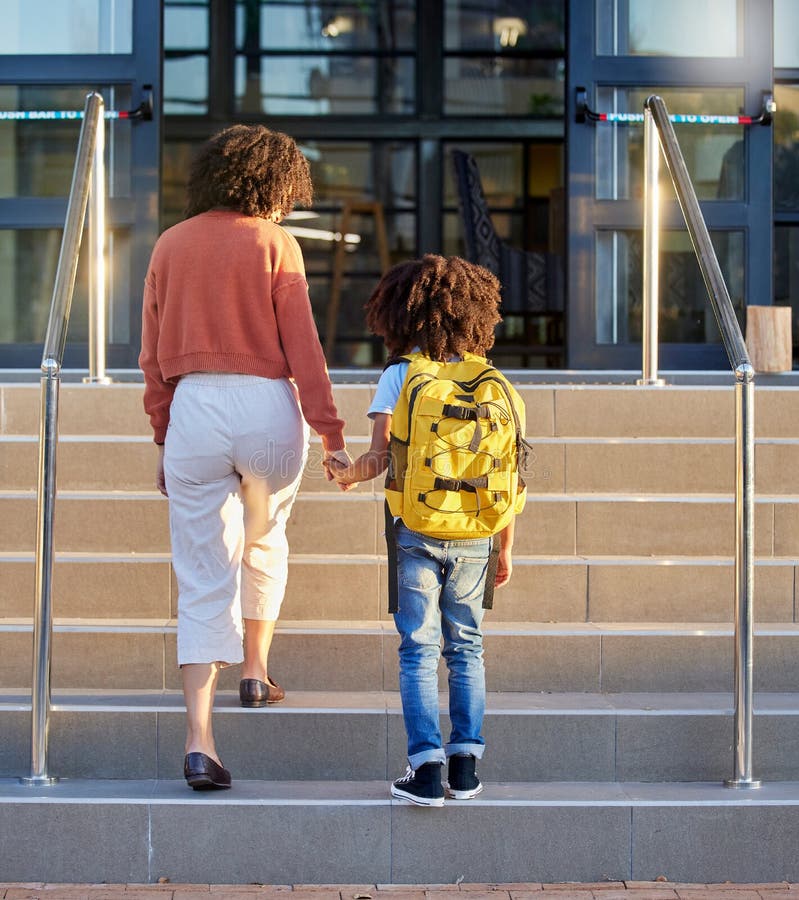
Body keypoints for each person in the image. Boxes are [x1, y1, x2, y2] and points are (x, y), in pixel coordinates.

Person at [139, 124, 350, 791]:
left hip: (195, 412)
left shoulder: (170, 244)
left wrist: (162, 433)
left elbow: (150, 358)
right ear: (273, 183)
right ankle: (255, 673)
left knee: (203, 574)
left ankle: (200, 741)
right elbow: (303, 348)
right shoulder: (273, 242)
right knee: (263, 539)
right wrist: (330, 433)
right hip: (266, 411)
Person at [327, 254, 523, 807]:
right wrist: (505, 546)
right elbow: (511, 472)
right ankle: (465, 768)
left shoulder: (399, 374)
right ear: (475, 314)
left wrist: (345, 475)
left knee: (418, 649)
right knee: (467, 648)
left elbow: (381, 458)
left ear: (400, 313)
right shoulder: (490, 381)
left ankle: (426, 770)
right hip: (478, 535)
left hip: (413, 530)